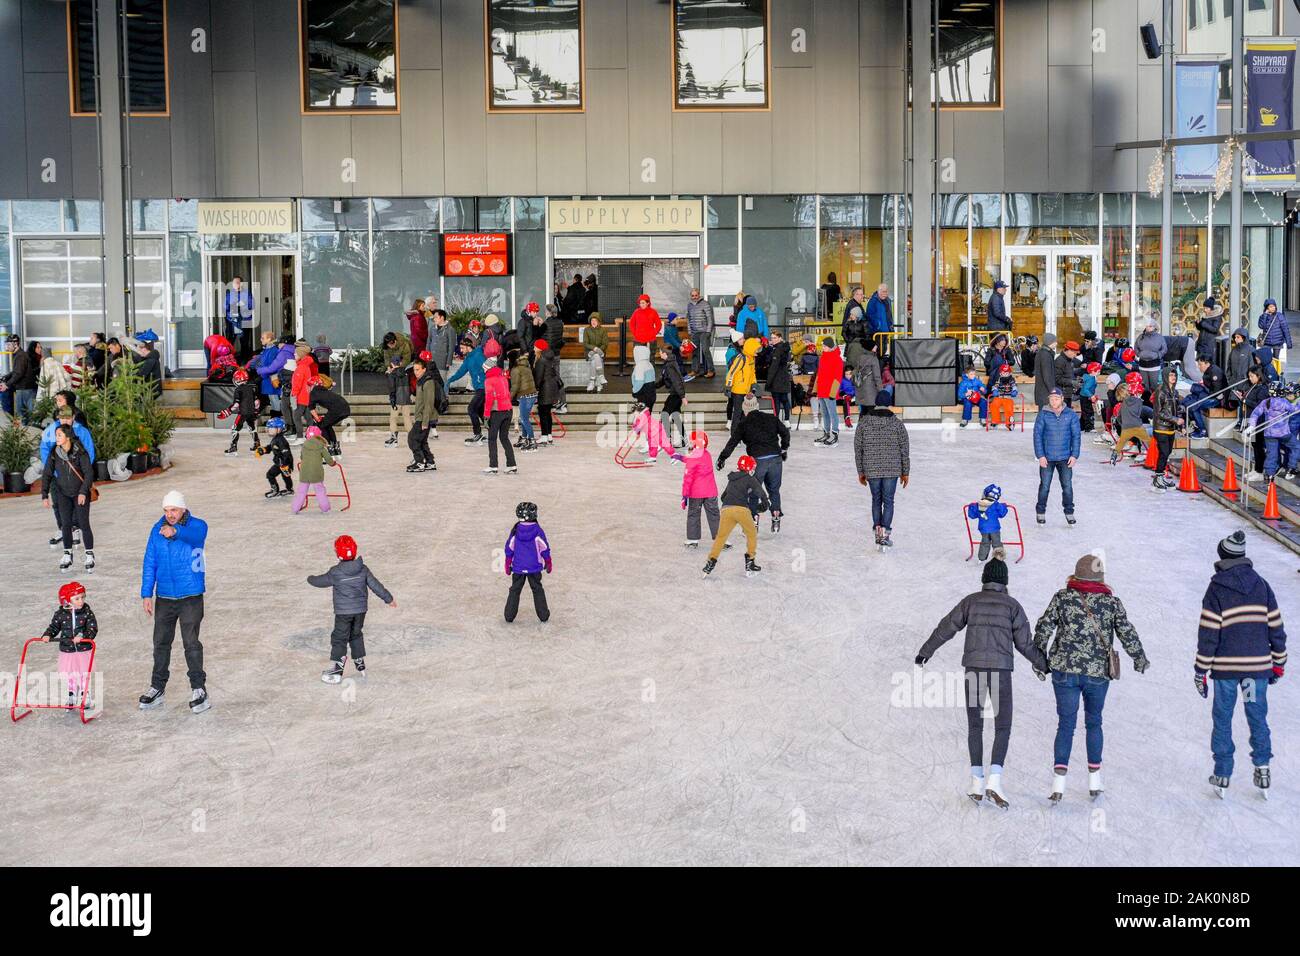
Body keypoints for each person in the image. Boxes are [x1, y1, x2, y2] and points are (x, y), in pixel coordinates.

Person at [915, 551, 1048, 809]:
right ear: (1005, 581)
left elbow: (947, 627)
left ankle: (977, 781)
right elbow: (1025, 644)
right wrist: (1044, 664)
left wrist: (925, 651)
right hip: (999, 670)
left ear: (984, 579)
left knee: (975, 725)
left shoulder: (971, 601)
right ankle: (994, 781)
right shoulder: (1013, 606)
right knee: (1002, 726)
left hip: (974, 669)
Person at [1033, 552, 1149, 801]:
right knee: (1094, 722)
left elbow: (1044, 626)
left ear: (1076, 575)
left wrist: (1038, 660)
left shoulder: (1062, 598)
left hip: (1064, 671)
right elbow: (1127, 632)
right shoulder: (1111, 603)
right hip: (1097, 674)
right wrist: (1139, 657)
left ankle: (1058, 785)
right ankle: (1095, 781)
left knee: (1066, 725)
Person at [1196, 530, 1287, 798]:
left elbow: (1208, 634)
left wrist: (1200, 670)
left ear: (1222, 557)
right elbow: (1276, 627)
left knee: (1223, 718)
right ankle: (1262, 767)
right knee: (1256, 716)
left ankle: (1223, 772)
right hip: (1255, 670)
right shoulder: (1262, 585)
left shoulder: (1216, 588)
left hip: (1226, 671)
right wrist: (1278, 661)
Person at [138, 490, 210, 714]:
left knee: (191, 644)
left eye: (174, 510)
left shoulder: (197, 525)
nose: (170, 514)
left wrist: (175, 531)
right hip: (165, 597)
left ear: (183, 509)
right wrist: (146, 593)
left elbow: (195, 536)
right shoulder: (156, 530)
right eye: (167, 510)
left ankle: (199, 689)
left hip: (190, 596)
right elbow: (150, 561)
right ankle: (157, 687)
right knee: (160, 643)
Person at [309, 534, 396, 683]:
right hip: (360, 611)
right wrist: (388, 598)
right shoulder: (363, 569)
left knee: (339, 637)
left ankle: (337, 670)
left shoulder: (336, 572)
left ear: (338, 553)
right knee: (355, 634)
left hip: (343, 613)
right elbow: (376, 585)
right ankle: (359, 661)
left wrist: (310, 578)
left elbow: (321, 581)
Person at [717, 392, 791, 532]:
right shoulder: (771, 418)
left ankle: (753, 521)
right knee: (774, 490)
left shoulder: (743, 424)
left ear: (744, 408)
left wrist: (722, 458)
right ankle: (775, 516)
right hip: (775, 459)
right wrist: (784, 448)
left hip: (758, 462)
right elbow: (785, 432)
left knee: (753, 492)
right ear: (757, 405)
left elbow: (732, 442)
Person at [41, 424, 97, 574]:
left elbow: (88, 474)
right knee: (65, 525)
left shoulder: (80, 452)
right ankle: (67, 554)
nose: (56, 438)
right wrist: (44, 494)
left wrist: (83, 492)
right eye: (56, 435)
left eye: (59, 435)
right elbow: (47, 473)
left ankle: (89, 555)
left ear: (68, 436)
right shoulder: (55, 452)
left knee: (84, 524)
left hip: (80, 493)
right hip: (63, 493)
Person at [854, 405, 910, 549]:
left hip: (871, 469)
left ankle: (878, 532)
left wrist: (860, 471)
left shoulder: (863, 423)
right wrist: (905, 472)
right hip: (892, 469)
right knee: (889, 501)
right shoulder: (897, 424)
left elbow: (858, 449)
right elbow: (904, 449)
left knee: (876, 500)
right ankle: (884, 534)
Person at [702, 455, 766, 578]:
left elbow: (723, 497)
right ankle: (750, 562)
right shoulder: (749, 478)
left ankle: (710, 563)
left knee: (721, 538)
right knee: (751, 534)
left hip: (726, 510)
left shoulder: (732, 479)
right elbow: (759, 491)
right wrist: (765, 503)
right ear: (749, 468)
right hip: (742, 510)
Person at [39, 581, 98, 710]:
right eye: (77, 598)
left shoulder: (87, 612)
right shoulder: (60, 614)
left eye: (83, 597)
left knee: (83, 673)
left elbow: (93, 629)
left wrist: (83, 636)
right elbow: (54, 627)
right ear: (66, 600)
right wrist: (48, 634)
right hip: (67, 650)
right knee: (71, 673)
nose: (81, 601)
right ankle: (71, 695)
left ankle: (84, 695)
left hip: (83, 650)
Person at [1032, 388, 1080, 526]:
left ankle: (1069, 512)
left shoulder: (1070, 414)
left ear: (1062, 399)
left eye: (1056, 398)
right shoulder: (1043, 414)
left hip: (1065, 458)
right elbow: (1037, 436)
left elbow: (1076, 436)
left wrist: (1074, 455)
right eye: (1051, 399)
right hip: (1047, 458)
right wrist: (1040, 455)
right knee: (1045, 486)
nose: (1054, 401)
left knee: (1067, 486)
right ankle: (1040, 511)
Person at [504, 501, 552, 623]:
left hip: (518, 567)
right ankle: (543, 615)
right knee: (537, 589)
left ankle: (509, 615)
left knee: (515, 589)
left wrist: (507, 562)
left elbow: (509, 548)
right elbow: (544, 547)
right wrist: (548, 561)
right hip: (534, 567)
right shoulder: (537, 530)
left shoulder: (516, 530)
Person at [1246, 383, 1299, 481]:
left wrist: (1251, 426)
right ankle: (1291, 468)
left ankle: (1269, 475)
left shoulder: (1265, 402)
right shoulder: (1284, 402)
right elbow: (1295, 410)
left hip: (1269, 434)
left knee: (1271, 454)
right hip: (1283, 433)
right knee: (1296, 446)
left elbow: (1255, 413)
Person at [681, 431, 722, 549]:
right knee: (714, 514)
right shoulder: (707, 454)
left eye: (691, 441)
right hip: (710, 492)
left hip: (696, 493)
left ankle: (693, 539)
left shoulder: (694, 456)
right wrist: (681, 457)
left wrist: (684, 495)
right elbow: (694, 461)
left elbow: (688, 477)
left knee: (693, 514)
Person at [447, 338, 488, 445]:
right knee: (479, 411)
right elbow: (461, 372)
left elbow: (488, 368)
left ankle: (477, 434)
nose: (461, 350)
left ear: (469, 347)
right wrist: (450, 380)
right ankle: (492, 430)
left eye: (462, 348)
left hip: (484, 387)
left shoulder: (478, 355)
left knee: (471, 409)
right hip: (479, 387)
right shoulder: (468, 358)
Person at [1150, 364, 1184, 492]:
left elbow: (1175, 410)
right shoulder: (1160, 391)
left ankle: (1161, 477)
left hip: (1170, 428)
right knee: (1163, 453)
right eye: (1170, 375)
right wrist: (1176, 420)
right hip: (1161, 428)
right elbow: (1160, 413)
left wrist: (1180, 422)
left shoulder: (1174, 392)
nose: (1173, 377)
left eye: (1174, 375)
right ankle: (1157, 479)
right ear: (1165, 376)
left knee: (1167, 453)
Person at [482, 357, 518, 476]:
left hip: (497, 412)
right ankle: (511, 464)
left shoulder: (489, 380)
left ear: (487, 369)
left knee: (492, 438)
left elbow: (489, 399)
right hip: (508, 410)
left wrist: (486, 415)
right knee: (504, 437)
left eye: (484, 369)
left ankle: (493, 466)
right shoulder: (503, 378)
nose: (484, 371)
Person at [1236, 366, 1270, 480]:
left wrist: (1245, 400)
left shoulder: (1263, 389)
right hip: (1250, 419)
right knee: (1255, 445)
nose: (1250, 378)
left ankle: (1259, 470)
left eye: (1252, 376)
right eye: (1249, 376)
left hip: (1258, 421)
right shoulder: (1253, 387)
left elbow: (1259, 405)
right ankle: (1256, 469)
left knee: (1258, 446)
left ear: (1259, 376)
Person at [219, 367, 262, 457]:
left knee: (235, 429)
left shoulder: (238, 390)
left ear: (237, 379)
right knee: (252, 428)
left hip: (243, 413)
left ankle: (233, 447)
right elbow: (257, 402)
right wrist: (256, 412)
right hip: (251, 412)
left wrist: (227, 411)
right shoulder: (251, 388)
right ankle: (257, 444)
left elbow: (236, 405)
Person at [407, 354, 439, 473]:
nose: (415, 372)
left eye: (418, 369)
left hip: (425, 417)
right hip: (421, 416)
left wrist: (425, 421)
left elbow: (429, 403)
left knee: (413, 439)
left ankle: (420, 462)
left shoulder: (428, 382)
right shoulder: (421, 381)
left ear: (424, 369)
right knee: (422, 440)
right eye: (414, 370)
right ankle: (430, 462)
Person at [293, 425, 336, 513]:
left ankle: (295, 508)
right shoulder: (321, 446)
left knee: (301, 491)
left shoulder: (304, 446)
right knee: (320, 490)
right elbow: (328, 458)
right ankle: (325, 508)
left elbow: (302, 457)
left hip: (304, 472)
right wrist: (332, 463)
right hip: (316, 473)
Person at [382, 331, 414, 448]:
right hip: (405, 395)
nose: (390, 346)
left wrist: (392, 398)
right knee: (406, 416)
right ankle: (412, 438)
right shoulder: (404, 373)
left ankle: (393, 439)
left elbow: (392, 388)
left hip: (398, 396)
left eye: (391, 344)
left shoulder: (392, 374)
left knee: (393, 417)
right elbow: (387, 359)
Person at [1183, 354, 1226, 438]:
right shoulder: (1208, 371)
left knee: (1194, 407)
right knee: (1188, 401)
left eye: (1200, 364)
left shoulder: (1214, 372)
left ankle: (1202, 430)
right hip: (1210, 395)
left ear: (1207, 363)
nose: (1199, 367)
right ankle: (1196, 426)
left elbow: (1216, 392)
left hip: (1218, 399)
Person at [307, 379, 351, 458]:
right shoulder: (323, 390)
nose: (308, 388)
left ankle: (329, 449)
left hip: (337, 410)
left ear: (312, 386)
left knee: (321, 425)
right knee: (327, 425)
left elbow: (311, 408)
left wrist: (317, 419)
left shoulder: (313, 392)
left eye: (308, 386)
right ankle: (336, 449)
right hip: (345, 408)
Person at [813, 336, 844, 446]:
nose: (823, 347)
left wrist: (833, 393)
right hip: (822, 390)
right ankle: (826, 433)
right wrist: (816, 391)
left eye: (825, 346)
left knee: (832, 413)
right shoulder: (822, 358)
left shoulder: (837, 359)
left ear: (831, 347)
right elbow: (819, 375)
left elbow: (838, 378)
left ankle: (835, 434)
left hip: (830, 392)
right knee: (824, 414)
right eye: (823, 346)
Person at [532, 339, 563, 446]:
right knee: (547, 412)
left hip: (545, 388)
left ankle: (544, 436)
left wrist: (535, 388)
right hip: (552, 387)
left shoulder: (541, 359)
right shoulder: (550, 357)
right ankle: (549, 435)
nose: (533, 349)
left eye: (535, 347)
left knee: (543, 412)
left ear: (539, 348)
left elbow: (538, 377)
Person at [1, 334, 38, 422]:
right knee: (25, 415)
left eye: (9, 344)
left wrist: (7, 384)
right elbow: (16, 371)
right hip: (24, 389)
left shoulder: (20, 356)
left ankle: (27, 433)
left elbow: (18, 373)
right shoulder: (18, 354)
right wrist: (5, 377)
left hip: (24, 389)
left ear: (16, 344)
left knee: (23, 416)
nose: (7, 347)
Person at [966, 484, 1007, 561]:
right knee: (997, 543)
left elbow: (972, 515)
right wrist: (1004, 506)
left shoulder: (978, 504)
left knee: (985, 543)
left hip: (983, 529)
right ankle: (999, 558)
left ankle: (981, 558)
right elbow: (1002, 513)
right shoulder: (996, 505)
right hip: (995, 529)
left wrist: (971, 506)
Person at [256, 416, 294, 497]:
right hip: (279, 462)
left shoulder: (281, 440)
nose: (270, 430)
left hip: (284, 462)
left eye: (272, 428)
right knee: (277, 476)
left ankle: (284, 490)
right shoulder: (275, 438)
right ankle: (282, 489)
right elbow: (271, 447)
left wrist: (285, 465)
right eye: (269, 428)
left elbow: (286, 453)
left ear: (279, 429)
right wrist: (264, 450)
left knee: (280, 476)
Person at [253, 330, 291, 413]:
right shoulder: (268, 349)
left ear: (269, 339)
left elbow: (272, 367)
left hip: (271, 378)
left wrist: (261, 374)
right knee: (273, 399)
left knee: (274, 399)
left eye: (263, 338)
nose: (260, 339)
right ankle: (277, 415)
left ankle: (277, 417)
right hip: (268, 378)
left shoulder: (272, 350)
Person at [510, 351, 538, 453]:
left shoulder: (516, 369)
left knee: (524, 419)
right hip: (532, 394)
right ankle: (524, 438)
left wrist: (509, 398)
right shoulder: (526, 366)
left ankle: (531, 441)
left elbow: (515, 386)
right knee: (524, 418)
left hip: (525, 395)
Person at [686, 288, 715, 379]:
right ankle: (695, 370)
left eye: (696, 295)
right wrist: (690, 331)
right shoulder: (689, 305)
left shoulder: (705, 304)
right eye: (692, 295)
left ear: (699, 295)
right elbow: (688, 319)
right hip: (694, 332)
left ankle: (711, 370)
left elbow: (710, 318)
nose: (694, 297)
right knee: (695, 351)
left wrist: (708, 331)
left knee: (705, 350)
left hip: (704, 331)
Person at [223, 277, 255, 360]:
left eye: (237, 282)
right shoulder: (229, 294)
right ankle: (229, 361)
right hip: (232, 320)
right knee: (230, 341)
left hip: (245, 320)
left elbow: (252, 305)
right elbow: (225, 306)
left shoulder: (247, 293)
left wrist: (242, 306)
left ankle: (244, 362)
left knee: (244, 341)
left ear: (241, 284)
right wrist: (232, 306)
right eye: (234, 283)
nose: (235, 284)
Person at [1134, 317, 1167, 396]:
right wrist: (1139, 354)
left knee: (1154, 386)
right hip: (1142, 365)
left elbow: (1164, 349)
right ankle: (1146, 402)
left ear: (1154, 327)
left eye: (1150, 326)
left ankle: (1155, 403)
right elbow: (1136, 347)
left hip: (1154, 365)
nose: (1148, 327)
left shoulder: (1159, 337)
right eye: (1147, 326)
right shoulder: (1141, 337)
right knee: (1145, 386)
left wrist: (1157, 355)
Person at [1224, 327, 1255, 411]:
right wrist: (1230, 380)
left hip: (1245, 384)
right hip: (1234, 384)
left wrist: (1248, 382)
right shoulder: (1234, 350)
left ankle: (1241, 422)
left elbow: (1252, 368)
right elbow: (1228, 367)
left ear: (1243, 338)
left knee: (1244, 407)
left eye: (1238, 337)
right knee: (1235, 405)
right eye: (1235, 337)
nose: (1235, 339)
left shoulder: (1250, 350)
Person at [765, 329, 793, 422]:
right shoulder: (784, 347)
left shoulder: (778, 349)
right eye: (772, 338)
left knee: (777, 400)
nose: (772, 340)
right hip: (783, 377)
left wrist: (768, 382)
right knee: (784, 399)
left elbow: (774, 367)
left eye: (775, 338)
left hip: (777, 378)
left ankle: (777, 421)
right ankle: (787, 420)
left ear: (780, 338)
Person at [1257, 298, 1291, 373]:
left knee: (1276, 359)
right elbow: (1261, 326)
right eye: (1270, 307)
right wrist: (1265, 315)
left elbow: (1285, 329)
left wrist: (1288, 342)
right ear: (1266, 308)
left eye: (1274, 306)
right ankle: (1268, 373)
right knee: (1266, 359)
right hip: (1267, 342)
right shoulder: (1263, 316)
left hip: (1277, 342)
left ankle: (1276, 373)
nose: (1273, 308)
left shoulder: (1280, 316)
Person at [582, 313, 609, 392]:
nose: (593, 322)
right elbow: (585, 343)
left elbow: (605, 343)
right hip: (589, 352)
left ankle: (592, 382)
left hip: (600, 352)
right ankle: (601, 377)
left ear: (598, 321)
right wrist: (595, 349)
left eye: (595, 320)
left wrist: (598, 350)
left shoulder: (603, 330)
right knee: (597, 357)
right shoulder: (587, 330)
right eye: (592, 320)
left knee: (595, 359)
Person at [988, 364, 1019, 430]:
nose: (1005, 374)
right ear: (1001, 373)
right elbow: (995, 386)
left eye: (1007, 373)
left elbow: (1014, 386)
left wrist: (1014, 391)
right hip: (999, 397)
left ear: (1010, 373)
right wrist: (995, 390)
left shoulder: (1011, 380)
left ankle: (1009, 423)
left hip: (1008, 397)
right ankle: (995, 421)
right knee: (993, 405)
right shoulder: (998, 379)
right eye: (1003, 373)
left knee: (1008, 408)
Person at [1197, 297, 1224, 363]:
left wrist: (1202, 323)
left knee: (1208, 364)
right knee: (1200, 364)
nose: (1205, 310)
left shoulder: (1217, 317)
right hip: (1201, 345)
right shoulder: (1205, 316)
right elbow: (1201, 329)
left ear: (1211, 309)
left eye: (1206, 308)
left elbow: (1215, 329)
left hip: (1209, 345)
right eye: (1204, 308)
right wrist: (1198, 323)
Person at [1033, 334, 1058, 407]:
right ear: (1049, 342)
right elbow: (1046, 375)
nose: (1056, 343)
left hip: (1044, 391)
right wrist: (1052, 390)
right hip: (1045, 393)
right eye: (1055, 341)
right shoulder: (1045, 355)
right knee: (1044, 414)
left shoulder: (1044, 353)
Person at [1054, 340, 1080, 409]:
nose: (1075, 355)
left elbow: (1068, 374)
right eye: (1074, 353)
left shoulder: (1069, 360)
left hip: (1067, 393)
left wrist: (1075, 380)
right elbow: (1057, 378)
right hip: (1062, 394)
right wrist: (1071, 382)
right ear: (1068, 350)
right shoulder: (1060, 361)